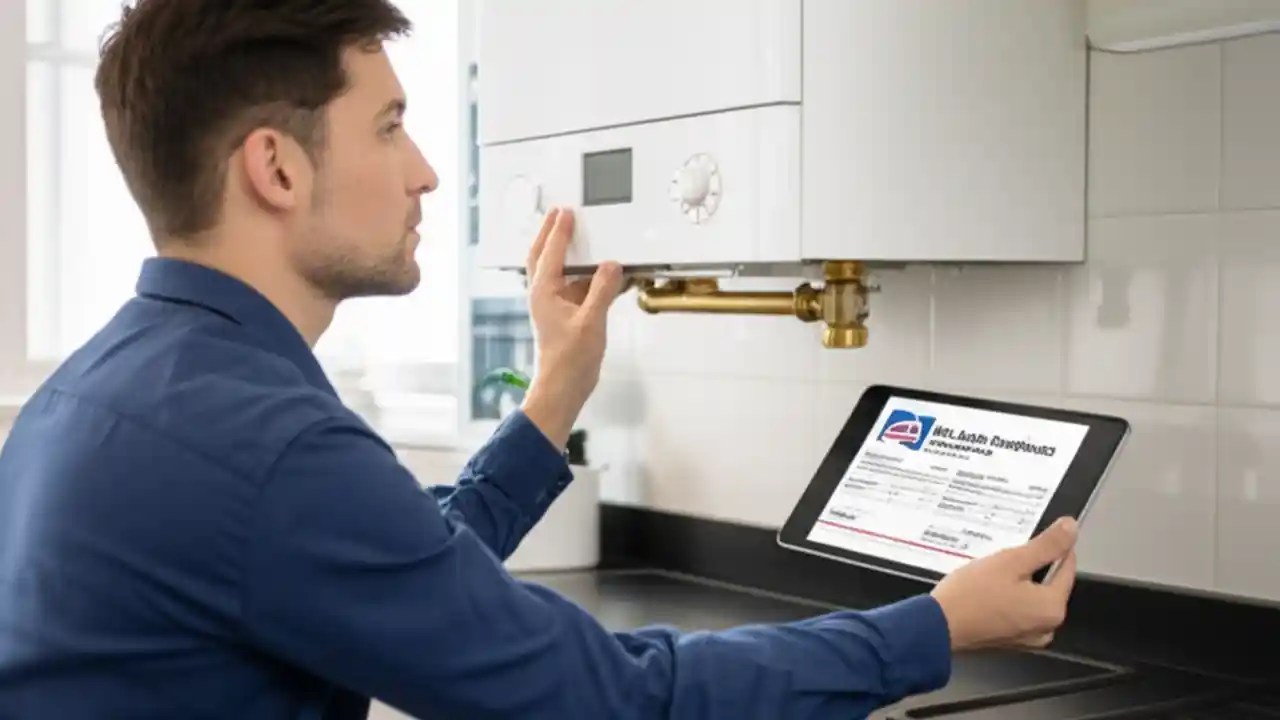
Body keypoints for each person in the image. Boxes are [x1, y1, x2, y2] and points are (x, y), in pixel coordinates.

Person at [0, 2, 1080, 718]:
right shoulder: (265, 442)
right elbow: (603, 701)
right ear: (275, 168)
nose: (426, 171)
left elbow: (386, 569)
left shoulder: (103, 390)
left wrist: (549, 396)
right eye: (388, 127)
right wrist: (934, 627)